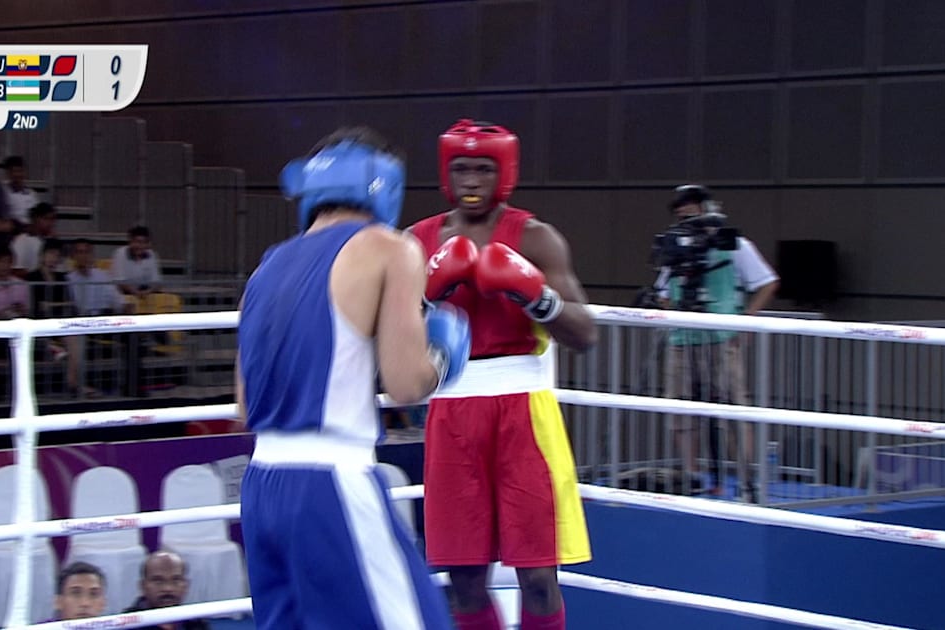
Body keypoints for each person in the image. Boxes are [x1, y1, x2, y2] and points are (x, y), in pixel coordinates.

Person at [237, 126, 470, 630]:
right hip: (332, 485)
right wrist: (446, 353)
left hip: (261, 489)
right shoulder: (390, 248)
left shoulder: (266, 267)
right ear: (383, 186)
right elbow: (407, 384)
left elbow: (243, 406)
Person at [409, 119, 598, 630]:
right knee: (464, 576)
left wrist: (536, 295)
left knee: (537, 575)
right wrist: (428, 294)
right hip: (451, 409)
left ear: (505, 173)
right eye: (462, 169)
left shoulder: (535, 237)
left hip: (524, 411)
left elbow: (585, 334)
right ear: (447, 173)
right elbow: (390, 337)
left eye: (483, 169)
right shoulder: (417, 241)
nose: (472, 181)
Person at [655, 184, 779, 503]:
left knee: (732, 408)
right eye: (681, 213)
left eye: (693, 211)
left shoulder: (733, 244)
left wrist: (745, 319)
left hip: (722, 337)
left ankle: (748, 480)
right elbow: (663, 292)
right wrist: (675, 313)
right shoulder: (674, 247)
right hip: (683, 339)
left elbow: (767, 282)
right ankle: (693, 475)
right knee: (680, 407)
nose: (687, 217)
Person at [123, 551, 210, 629]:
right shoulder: (126, 624)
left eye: (176, 580)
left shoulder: (196, 624)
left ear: (186, 586)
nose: (168, 588)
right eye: (158, 581)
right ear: (142, 586)